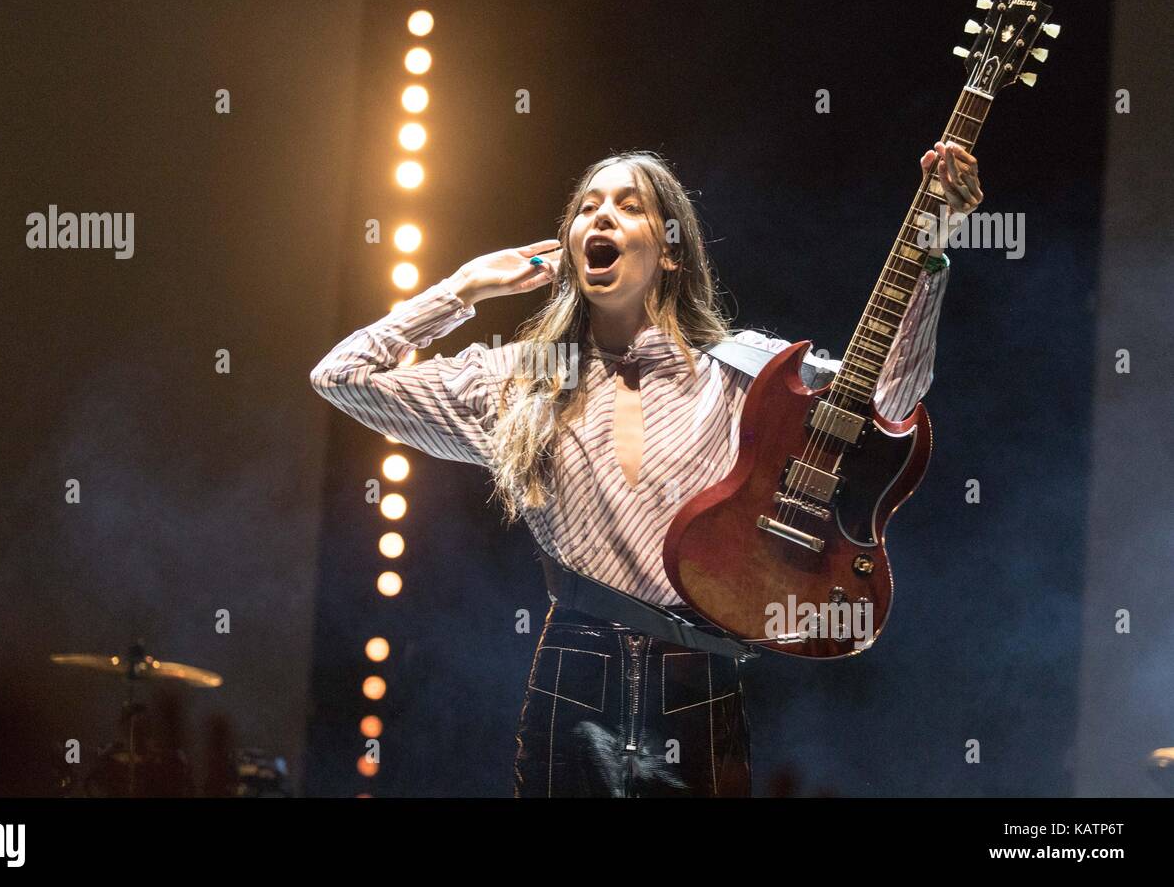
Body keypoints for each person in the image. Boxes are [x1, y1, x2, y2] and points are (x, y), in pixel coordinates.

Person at [310, 144, 982, 797]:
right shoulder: (524, 379)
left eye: (627, 207)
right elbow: (340, 377)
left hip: (700, 681)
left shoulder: (746, 371)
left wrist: (930, 251)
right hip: (574, 677)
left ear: (668, 249)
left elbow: (889, 403)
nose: (599, 218)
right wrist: (461, 291)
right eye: (586, 207)